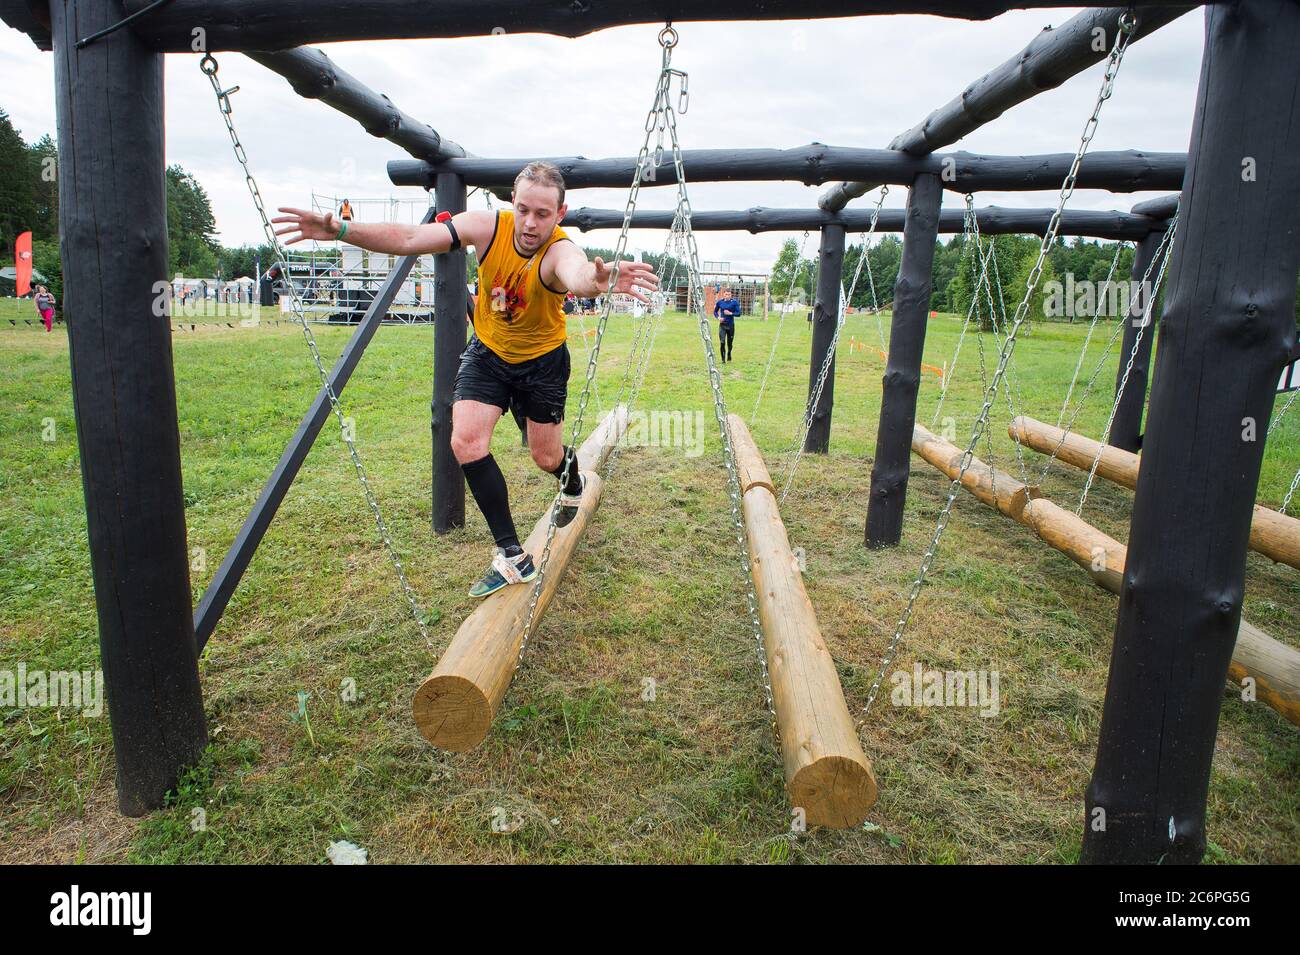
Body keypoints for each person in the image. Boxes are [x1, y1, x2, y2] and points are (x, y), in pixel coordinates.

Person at [274, 161, 659, 598]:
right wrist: (344, 231)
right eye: (525, 209)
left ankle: (572, 481)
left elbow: (577, 274)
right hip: (489, 354)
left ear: (560, 214)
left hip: (541, 362)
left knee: (545, 458)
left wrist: (598, 279)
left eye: (544, 214)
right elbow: (410, 238)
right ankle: (513, 555)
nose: (531, 223)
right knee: (466, 441)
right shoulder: (486, 226)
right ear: (513, 202)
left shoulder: (557, 250)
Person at [713, 286, 740, 362]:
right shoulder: (720, 302)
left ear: (731, 295)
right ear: (723, 295)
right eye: (726, 294)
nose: (727, 296)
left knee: (729, 343)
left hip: (730, 325)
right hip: (722, 325)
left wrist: (730, 313)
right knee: (722, 342)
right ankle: (723, 359)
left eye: (729, 294)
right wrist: (718, 318)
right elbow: (715, 312)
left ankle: (729, 353)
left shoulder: (734, 302)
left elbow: (739, 313)